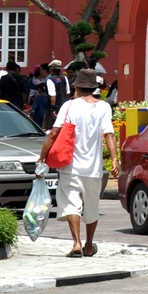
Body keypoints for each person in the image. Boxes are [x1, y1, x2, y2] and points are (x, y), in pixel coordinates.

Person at [39, 69, 119, 258]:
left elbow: (54, 133)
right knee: (91, 207)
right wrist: (115, 159)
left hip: (70, 166)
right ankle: (89, 246)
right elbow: (109, 134)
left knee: (71, 204)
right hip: (94, 169)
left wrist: (42, 157)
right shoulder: (104, 107)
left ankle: (76, 243)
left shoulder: (68, 106)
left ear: (77, 87)